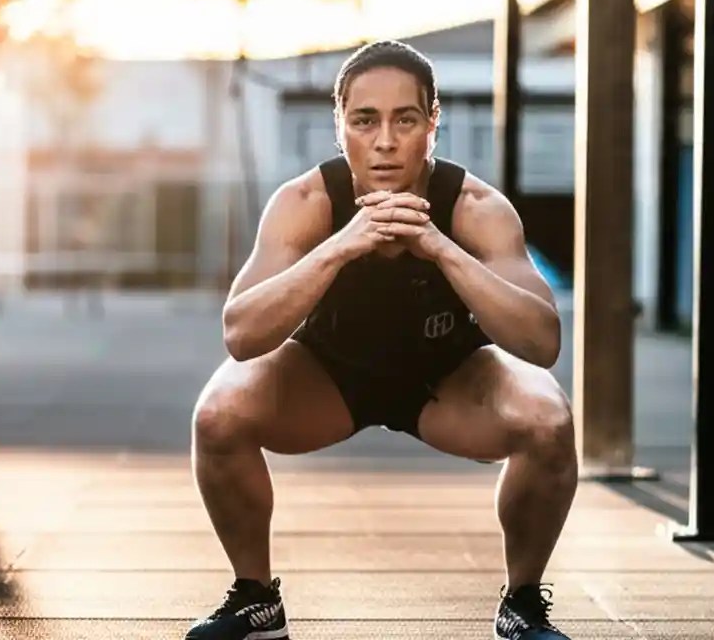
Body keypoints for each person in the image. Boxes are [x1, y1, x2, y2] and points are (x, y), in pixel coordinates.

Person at [187, 40, 578, 639]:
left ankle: (522, 603)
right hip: (327, 381)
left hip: (448, 382)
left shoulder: (476, 208)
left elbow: (541, 342)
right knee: (217, 413)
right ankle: (255, 599)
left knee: (548, 419)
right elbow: (241, 333)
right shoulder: (304, 204)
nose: (387, 141)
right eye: (366, 120)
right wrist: (342, 245)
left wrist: (439, 247)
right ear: (340, 126)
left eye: (406, 119)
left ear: (433, 124)